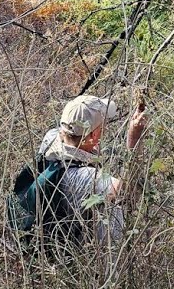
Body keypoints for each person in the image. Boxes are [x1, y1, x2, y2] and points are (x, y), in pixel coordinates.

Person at [37, 94, 148, 244]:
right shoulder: (84, 177)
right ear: (93, 135)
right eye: (101, 126)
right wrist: (134, 139)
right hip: (89, 255)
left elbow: (72, 134)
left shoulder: (51, 139)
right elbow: (128, 192)